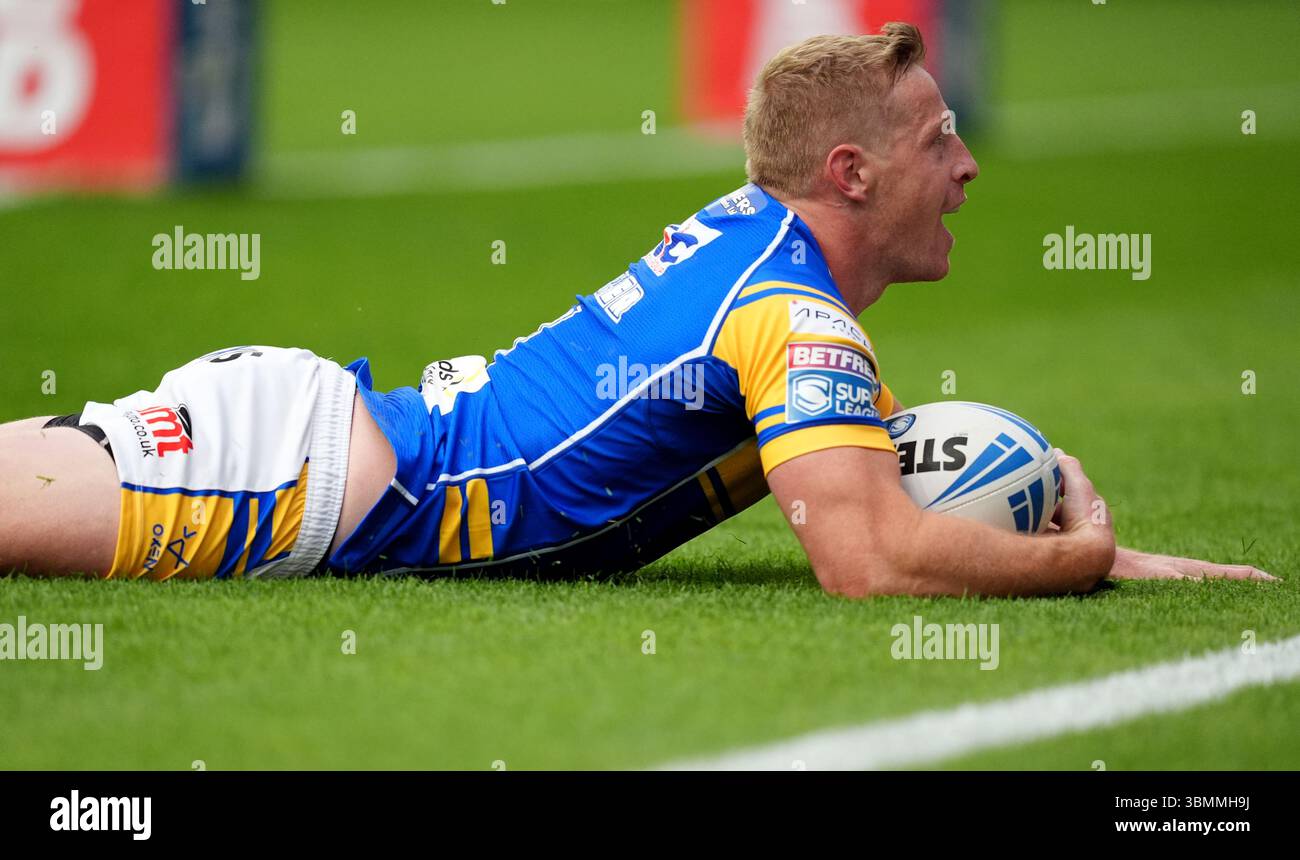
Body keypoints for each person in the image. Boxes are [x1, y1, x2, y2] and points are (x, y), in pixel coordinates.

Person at [0, 24, 1274, 594]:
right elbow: (871, 556)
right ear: (852, 173)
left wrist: (1126, 561)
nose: (967, 165)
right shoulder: (792, 317)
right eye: (940, 138)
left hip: (317, 439)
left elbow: (887, 482)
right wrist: (1083, 556)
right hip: (310, 479)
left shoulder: (760, 266)